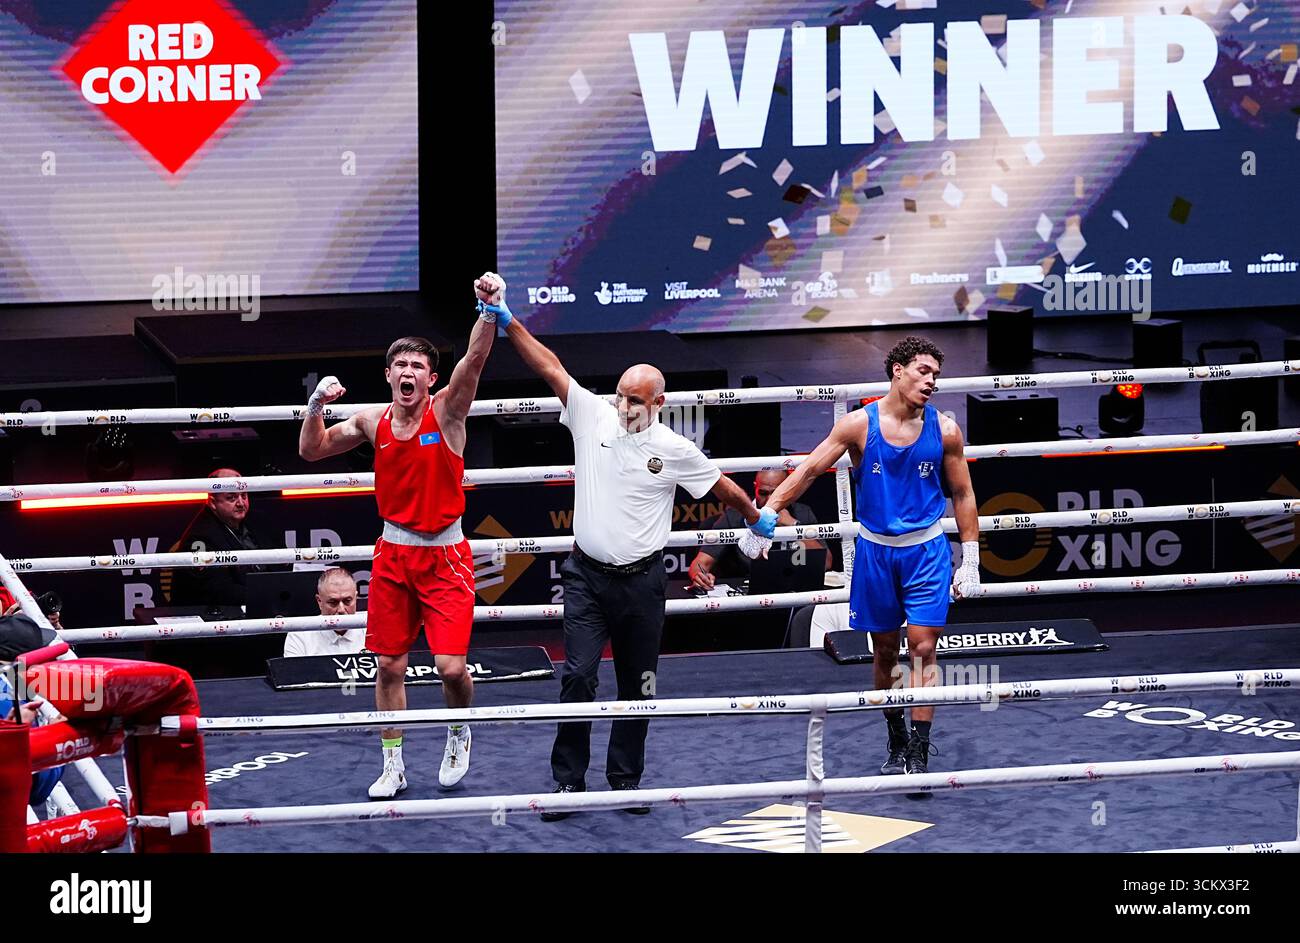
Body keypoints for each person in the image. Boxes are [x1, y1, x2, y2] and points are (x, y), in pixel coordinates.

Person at [481, 274, 771, 819]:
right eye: (620, 395)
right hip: (586, 577)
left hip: (642, 582)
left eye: (634, 400)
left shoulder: (674, 446)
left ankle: (625, 780)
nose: (623, 406)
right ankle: (568, 782)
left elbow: (721, 485)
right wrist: (507, 318)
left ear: (658, 402)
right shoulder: (592, 413)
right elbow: (549, 367)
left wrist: (758, 517)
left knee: (638, 683)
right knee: (578, 675)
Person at [298, 278, 497, 798]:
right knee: (388, 664)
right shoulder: (370, 420)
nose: (409, 373)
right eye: (401, 366)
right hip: (392, 554)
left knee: (452, 668)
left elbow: (473, 361)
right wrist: (316, 401)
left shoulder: (447, 412)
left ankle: (458, 732)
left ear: (431, 377)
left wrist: (488, 308)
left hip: (446, 555)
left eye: (418, 367)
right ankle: (394, 765)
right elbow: (312, 450)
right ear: (388, 374)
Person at [758, 336, 980, 786]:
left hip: (926, 552)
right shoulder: (858, 425)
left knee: (922, 647)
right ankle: (895, 736)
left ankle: (919, 751)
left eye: (936, 374)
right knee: (883, 651)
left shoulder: (947, 430)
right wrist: (765, 514)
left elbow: (962, 493)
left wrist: (971, 558)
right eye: (923, 371)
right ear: (897, 370)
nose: (932, 381)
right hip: (876, 553)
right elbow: (808, 470)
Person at [687, 468, 829, 592]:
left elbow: (826, 563)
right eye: (763, 493)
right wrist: (699, 575)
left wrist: (792, 526)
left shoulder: (803, 513)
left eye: (775, 494)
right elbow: (700, 562)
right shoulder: (734, 516)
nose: (768, 500)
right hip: (750, 594)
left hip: (794, 589)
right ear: (755, 487)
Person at [166, 468, 268, 607]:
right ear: (213, 503)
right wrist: (265, 594)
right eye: (231, 498)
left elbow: (281, 563)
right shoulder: (199, 538)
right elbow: (216, 591)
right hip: (209, 618)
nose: (240, 503)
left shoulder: (257, 522)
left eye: (243, 496)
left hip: (257, 606)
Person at [282, 568, 367, 657]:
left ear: (356, 598)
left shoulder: (375, 628)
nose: (341, 609)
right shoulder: (299, 635)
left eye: (347, 601)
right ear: (319, 601)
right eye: (333, 602)